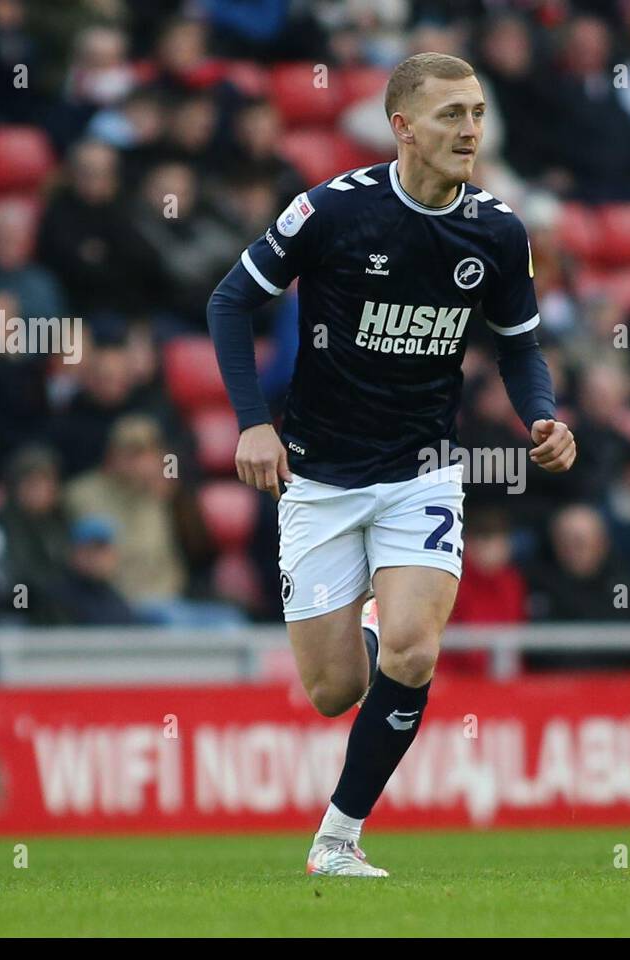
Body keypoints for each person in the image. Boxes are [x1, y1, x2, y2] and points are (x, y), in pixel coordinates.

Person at [207, 53, 574, 877]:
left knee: (414, 652)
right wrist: (252, 425)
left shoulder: (498, 230)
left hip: (422, 470)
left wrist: (542, 416)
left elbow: (521, 348)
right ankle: (370, 621)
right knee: (334, 691)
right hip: (317, 476)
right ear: (402, 128)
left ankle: (338, 838)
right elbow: (230, 300)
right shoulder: (331, 211)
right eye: (451, 115)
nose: (470, 129)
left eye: (477, 112)